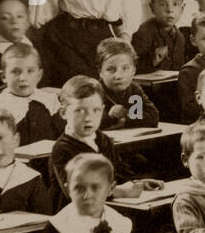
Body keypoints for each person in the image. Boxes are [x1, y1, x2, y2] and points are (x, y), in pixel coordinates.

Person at [48, 76, 162, 205]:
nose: (88, 118)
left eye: (95, 110)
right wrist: (119, 191)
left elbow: (120, 174)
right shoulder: (62, 148)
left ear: (103, 110)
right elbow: (75, 192)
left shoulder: (103, 139)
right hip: (76, 216)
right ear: (63, 113)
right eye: (79, 111)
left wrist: (138, 184)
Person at [37, 153, 148, 233]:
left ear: (110, 189)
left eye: (96, 187)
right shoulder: (57, 229)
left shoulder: (121, 222)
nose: (87, 195)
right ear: (68, 190)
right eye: (79, 188)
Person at [0, 44, 62, 145]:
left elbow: (61, 132)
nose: (23, 78)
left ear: (39, 75)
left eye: (30, 71)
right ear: (3, 76)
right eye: (15, 72)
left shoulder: (49, 100)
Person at [97, 38, 159, 130]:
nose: (118, 76)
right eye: (110, 69)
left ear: (133, 70)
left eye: (125, 68)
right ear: (100, 72)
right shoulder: (94, 92)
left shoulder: (134, 90)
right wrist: (109, 117)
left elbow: (153, 116)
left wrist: (126, 118)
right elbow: (88, 122)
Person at [132, 0, 191, 72]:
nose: (170, 10)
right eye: (163, 5)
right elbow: (131, 64)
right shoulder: (144, 33)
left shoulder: (180, 36)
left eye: (175, 4)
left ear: (182, 8)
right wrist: (153, 60)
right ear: (152, 8)